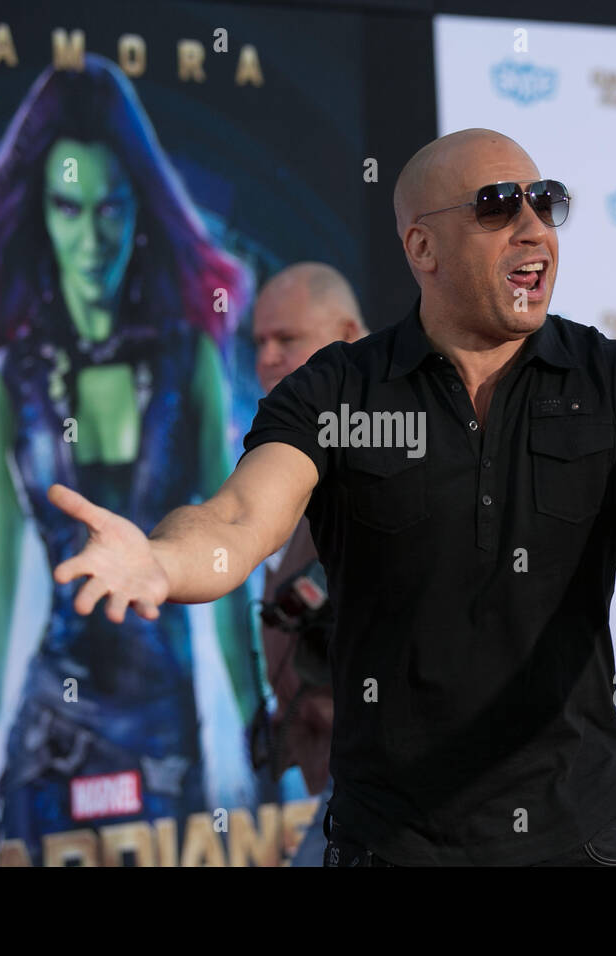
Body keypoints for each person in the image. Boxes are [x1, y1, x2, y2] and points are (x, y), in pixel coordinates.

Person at [47, 127, 616, 866]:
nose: (534, 227)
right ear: (423, 247)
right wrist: (159, 559)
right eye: (499, 207)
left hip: (582, 838)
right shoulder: (336, 391)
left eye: (546, 203)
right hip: (393, 846)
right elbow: (237, 519)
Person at [0, 55, 261, 865]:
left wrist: (264, 742)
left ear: (138, 209)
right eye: (67, 208)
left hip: (166, 734)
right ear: (39, 214)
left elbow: (224, 572)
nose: (91, 237)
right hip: (53, 737)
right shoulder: (12, 381)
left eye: (110, 207)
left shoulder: (192, 360)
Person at [250, 262, 366, 865]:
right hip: (337, 780)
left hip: (397, 787)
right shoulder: (294, 449)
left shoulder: (398, 446)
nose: (268, 357)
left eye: (286, 339)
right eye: (259, 343)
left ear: (347, 334)